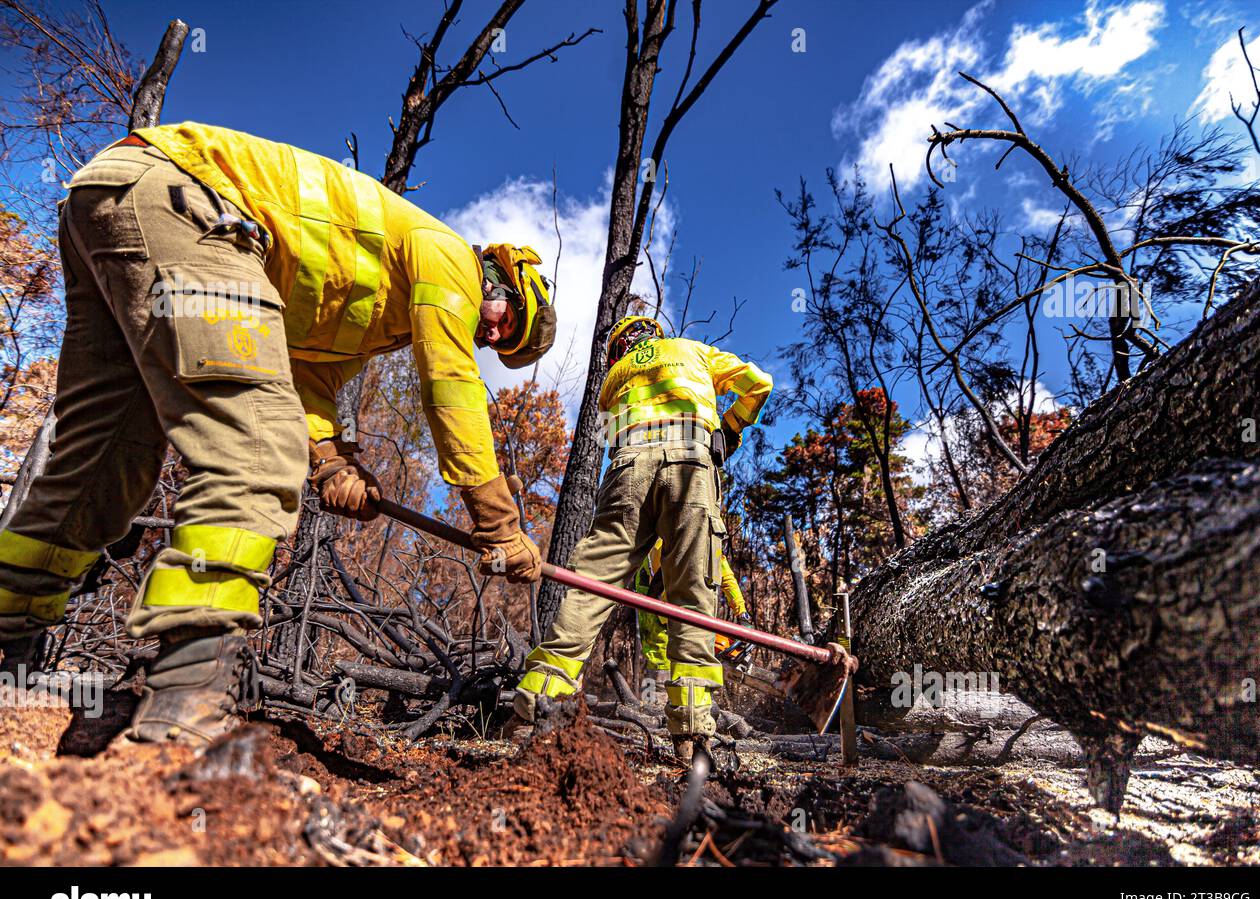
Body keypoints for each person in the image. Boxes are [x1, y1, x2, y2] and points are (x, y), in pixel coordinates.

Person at [0, 122, 554, 745]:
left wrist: (334, 463)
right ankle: (183, 706)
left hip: (115, 199)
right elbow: (451, 390)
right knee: (256, 447)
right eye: (506, 327)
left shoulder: (373, 313)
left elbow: (310, 383)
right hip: (189, 201)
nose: (493, 339)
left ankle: (7, 647)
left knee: (106, 460)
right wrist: (501, 525)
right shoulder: (452, 260)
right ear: (504, 285)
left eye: (502, 344)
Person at [510, 313, 771, 764]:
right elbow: (758, 382)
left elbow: (613, 438)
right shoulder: (692, 352)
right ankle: (691, 733)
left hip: (628, 468)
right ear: (655, 334)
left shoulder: (614, 377)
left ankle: (533, 709)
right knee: (692, 593)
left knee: (592, 585)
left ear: (620, 347)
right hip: (692, 465)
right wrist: (727, 431)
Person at [634, 538, 750, 704]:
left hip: (678, 598)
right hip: (652, 595)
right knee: (659, 657)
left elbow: (727, 577)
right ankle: (655, 704)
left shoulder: (710, 548)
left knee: (698, 647)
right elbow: (658, 591)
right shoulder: (667, 545)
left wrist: (742, 613)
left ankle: (695, 703)